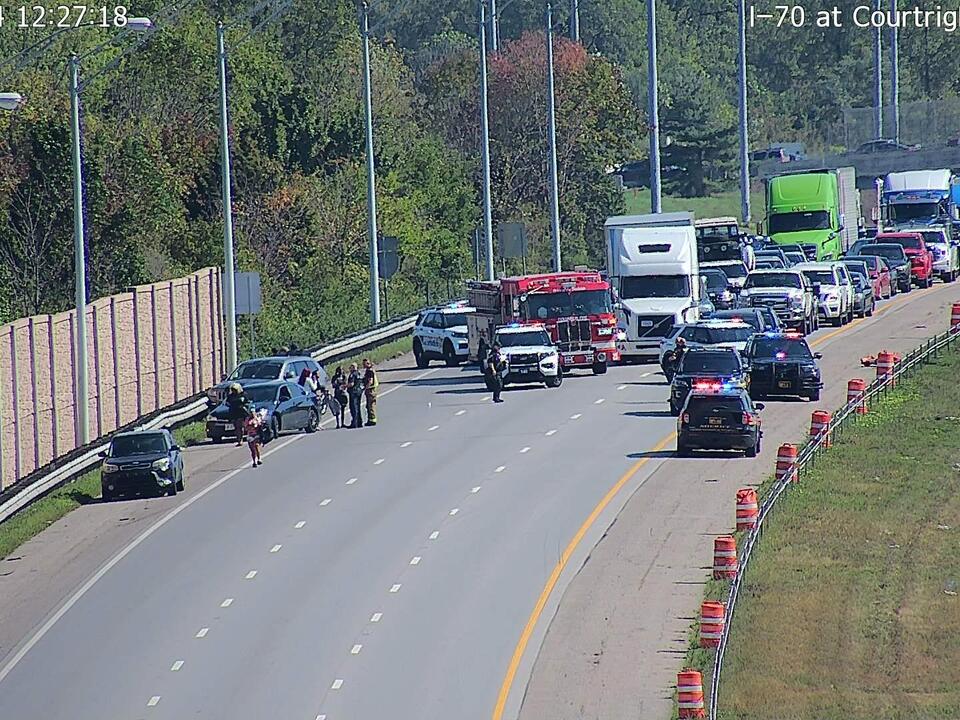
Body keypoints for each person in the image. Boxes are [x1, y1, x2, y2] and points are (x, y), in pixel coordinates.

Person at [347, 363, 364, 428]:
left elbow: (351, 384)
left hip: (354, 392)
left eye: (350, 367)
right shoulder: (359, 373)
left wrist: (345, 386)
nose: (349, 369)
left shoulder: (352, 375)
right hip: (359, 391)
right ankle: (359, 422)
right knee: (358, 407)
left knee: (354, 408)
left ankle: (355, 423)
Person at [362, 358, 379, 426]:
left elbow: (370, 381)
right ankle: (370, 419)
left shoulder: (369, 371)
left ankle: (372, 420)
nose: (363, 365)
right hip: (372, 390)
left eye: (364, 364)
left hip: (371, 390)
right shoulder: (370, 370)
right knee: (369, 405)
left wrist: (365, 388)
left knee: (370, 406)